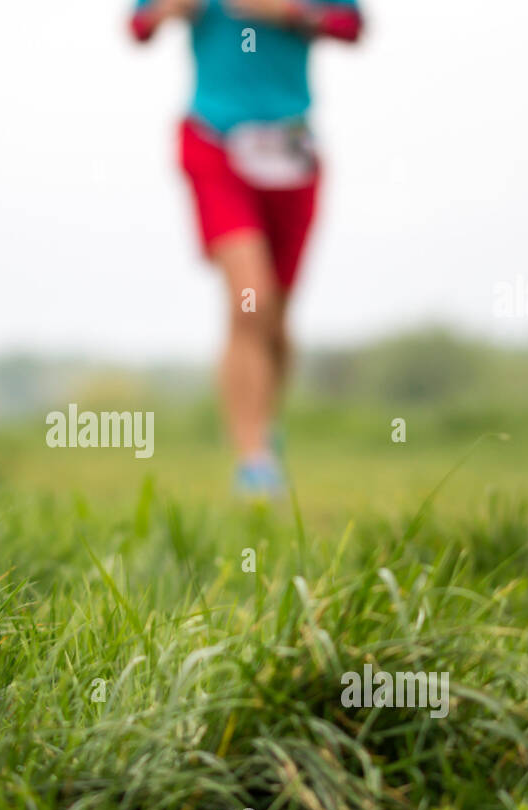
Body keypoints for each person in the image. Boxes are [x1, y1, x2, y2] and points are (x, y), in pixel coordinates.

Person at [131, 0, 364, 496]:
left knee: (275, 319)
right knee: (248, 297)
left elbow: (351, 24)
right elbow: (137, 25)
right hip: (213, 142)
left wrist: (289, 13)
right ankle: (252, 459)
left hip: (292, 151)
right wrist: (172, 9)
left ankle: (264, 421)